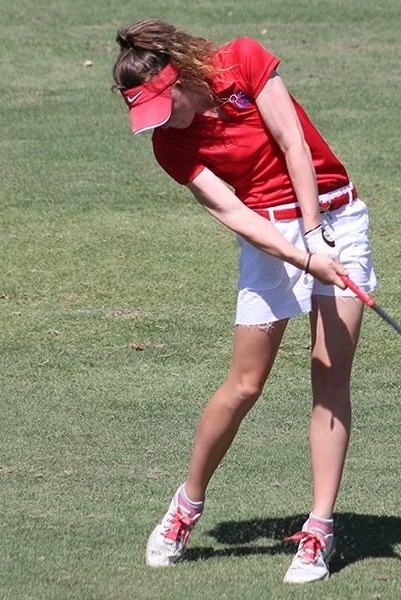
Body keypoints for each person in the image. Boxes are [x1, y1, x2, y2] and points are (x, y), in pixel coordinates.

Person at [112, 19, 377, 584]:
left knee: (330, 375)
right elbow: (232, 212)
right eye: (149, 117)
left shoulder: (243, 60)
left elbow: (293, 143)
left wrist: (316, 235)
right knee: (245, 384)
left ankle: (319, 530)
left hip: (336, 216)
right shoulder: (168, 144)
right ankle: (186, 505)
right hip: (269, 235)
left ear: (179, 78)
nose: (163, 122)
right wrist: (303, 256)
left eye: (164, 107)